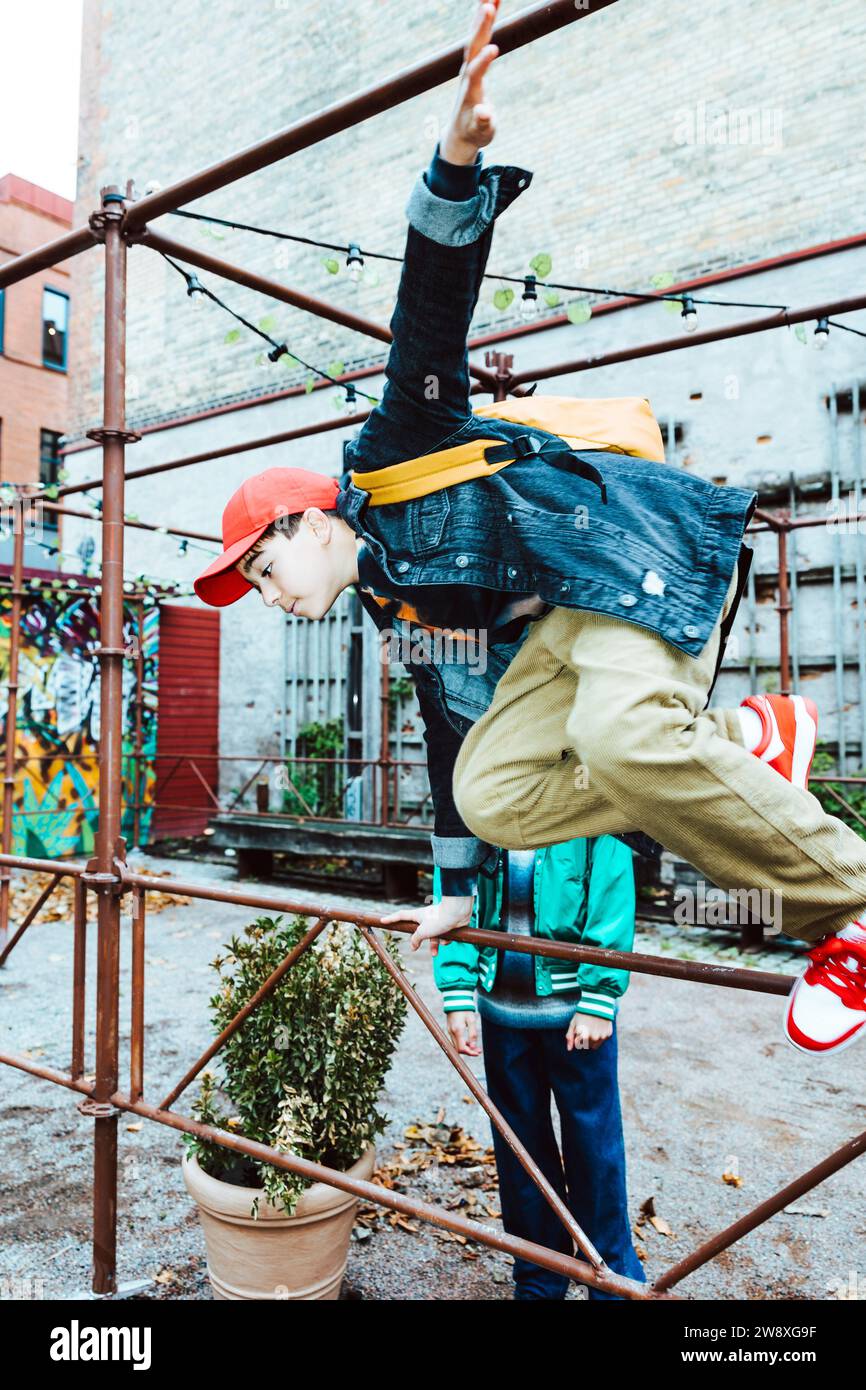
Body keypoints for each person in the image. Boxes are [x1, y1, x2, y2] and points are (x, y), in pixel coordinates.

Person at [193, 0, 866, 1056]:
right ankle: (747, 739)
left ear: (303, 517)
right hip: (564, 637)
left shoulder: (389, 451)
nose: (271, 596)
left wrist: (453, 165)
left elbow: (426, 316)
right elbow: (458, 738)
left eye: (264, 567)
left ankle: (848, 912)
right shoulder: (389, 600)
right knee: (493, 787)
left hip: (625, 559)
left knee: (616, 734)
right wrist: (459, 898)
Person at [433, 834, 645, 1301]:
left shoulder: (589, 793)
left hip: (575, 1013)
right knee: (519, 1148)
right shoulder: (486, 795)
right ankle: (539, 1274)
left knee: (594, 1145)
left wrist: (600, 996)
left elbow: (613, 885)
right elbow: (453, 879)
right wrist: (456, 988)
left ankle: (611, 1275)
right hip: (501, 1012)